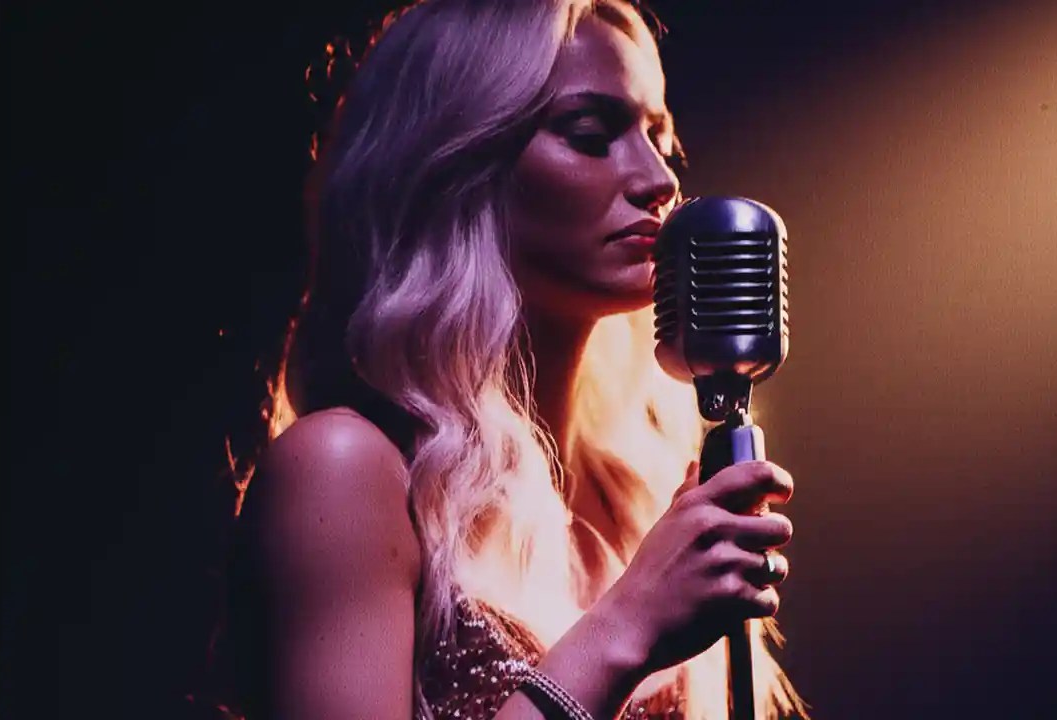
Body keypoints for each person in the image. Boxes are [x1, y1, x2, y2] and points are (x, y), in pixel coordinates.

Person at [220, 1, 806, 719]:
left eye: (661, 139)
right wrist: (627, 627)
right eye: (592, 135)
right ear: (453, 166)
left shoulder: (643, 493)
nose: (658, 180)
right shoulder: (345, 472)